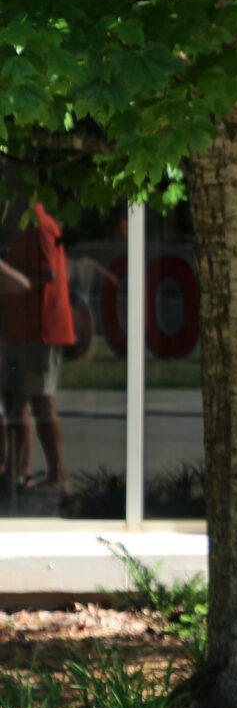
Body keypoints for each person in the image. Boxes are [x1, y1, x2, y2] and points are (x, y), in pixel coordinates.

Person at [3, 202, 75, 495]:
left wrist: (11, 272)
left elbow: (49, 275)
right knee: (15, 401)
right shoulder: (19, 221)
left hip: (41, 329)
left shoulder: (41, 224)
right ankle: (17, 472)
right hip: (19, 328)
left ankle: (57, 474)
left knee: (41, 401)